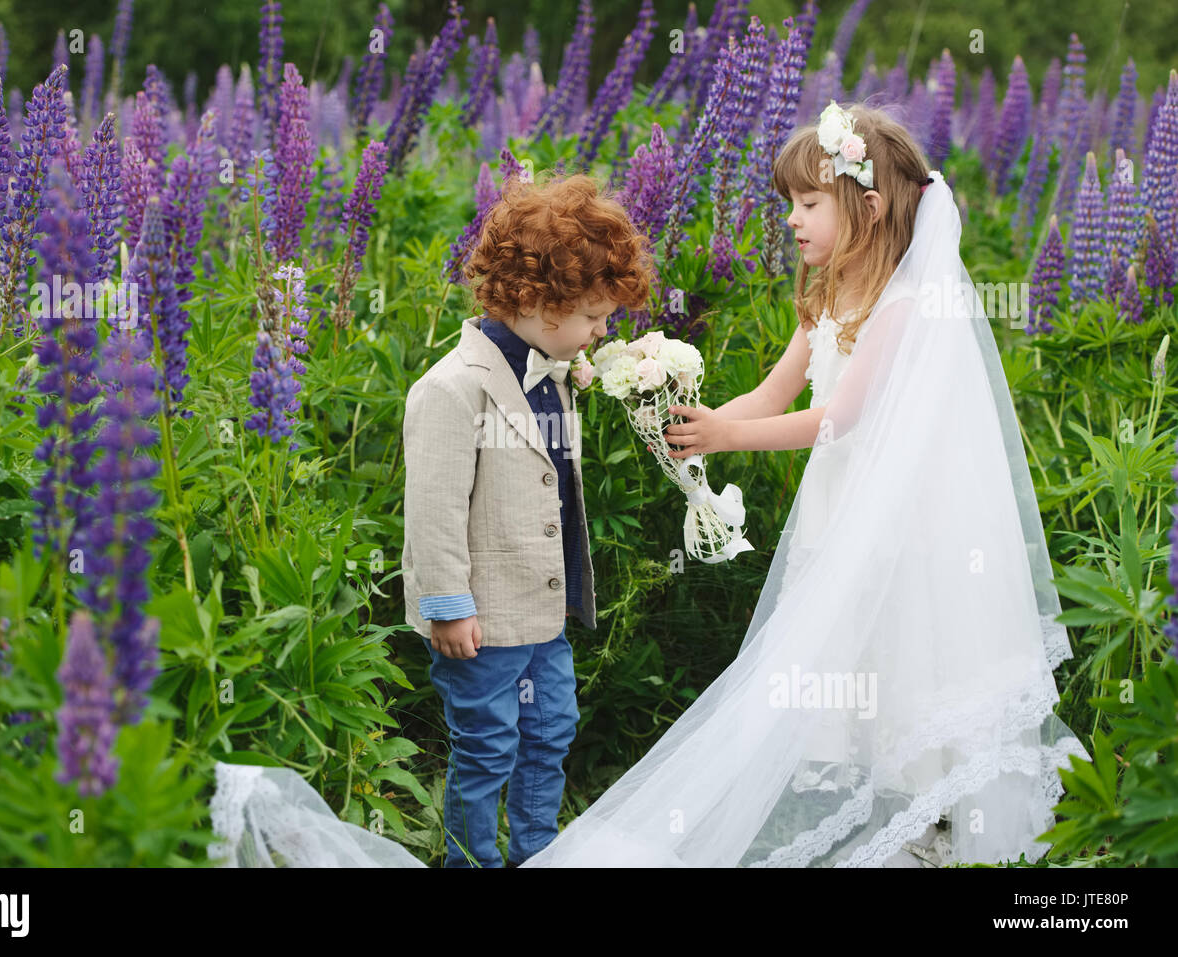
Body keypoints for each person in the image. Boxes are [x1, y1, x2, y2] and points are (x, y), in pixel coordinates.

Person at [207, 102, 1090, 868]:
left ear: (868, 207)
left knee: (901, 650)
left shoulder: (899, 307)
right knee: (840, 659)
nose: (791, 219)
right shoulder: (823, 298)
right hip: (833, 513)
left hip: (896, 514)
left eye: (808, 203)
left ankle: (927, 806)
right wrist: (694, 419)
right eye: (788, 203)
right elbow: (776, 392)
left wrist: (732, 434)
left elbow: (838, 418)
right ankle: (875, 806)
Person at [403, 172, 653, 867]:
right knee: (487, 744)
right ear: (545, 302)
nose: (604, 332)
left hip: (543, 614)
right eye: (596, 316)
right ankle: (471, 856)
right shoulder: (454, 390)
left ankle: (538, 848)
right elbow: (434, 509)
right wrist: (448, 605)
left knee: (551, 728)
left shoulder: (550, 372)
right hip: (480, 621)